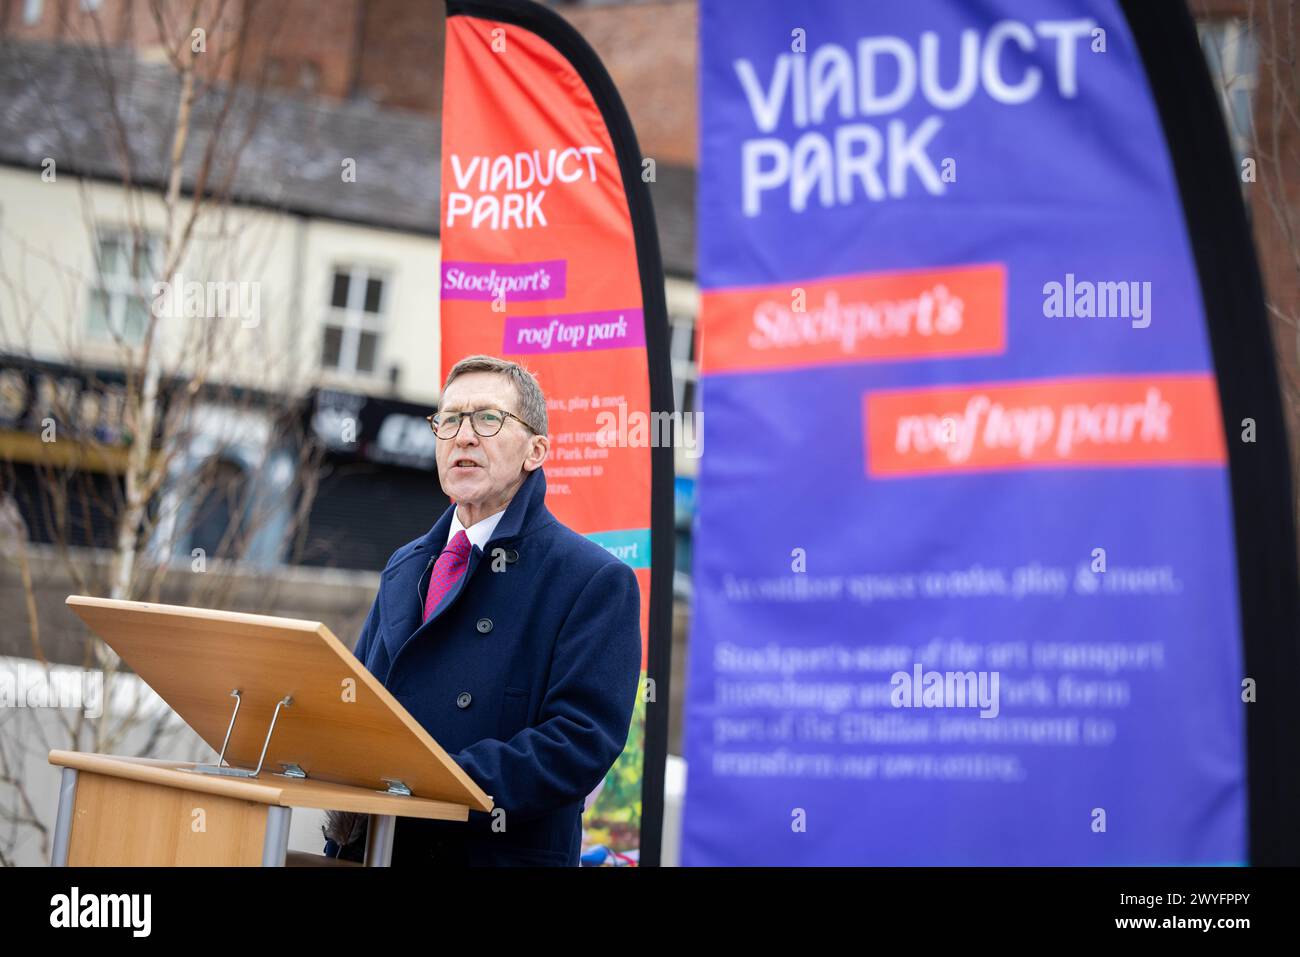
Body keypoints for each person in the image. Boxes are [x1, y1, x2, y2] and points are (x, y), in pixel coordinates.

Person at [322, 354, 641, 866]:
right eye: (449, 420)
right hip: (375, 852)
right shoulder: (406, 565)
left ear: (535, 450)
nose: (463, 437)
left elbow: (580, 742)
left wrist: (433, 782)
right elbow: (359, 706)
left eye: (488, 419)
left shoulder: (592, 580)